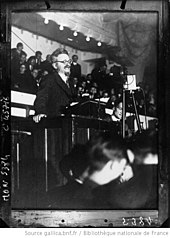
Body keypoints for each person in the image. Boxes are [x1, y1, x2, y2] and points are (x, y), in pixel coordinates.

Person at [33, 48, 76, 123]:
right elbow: (41, 98)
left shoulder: (71, 83)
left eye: (69, 61)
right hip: (54, 123)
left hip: (68, 122)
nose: (68, 64)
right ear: (55, 65)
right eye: (64, 62)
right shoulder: (49, 79)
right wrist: (41, 113)